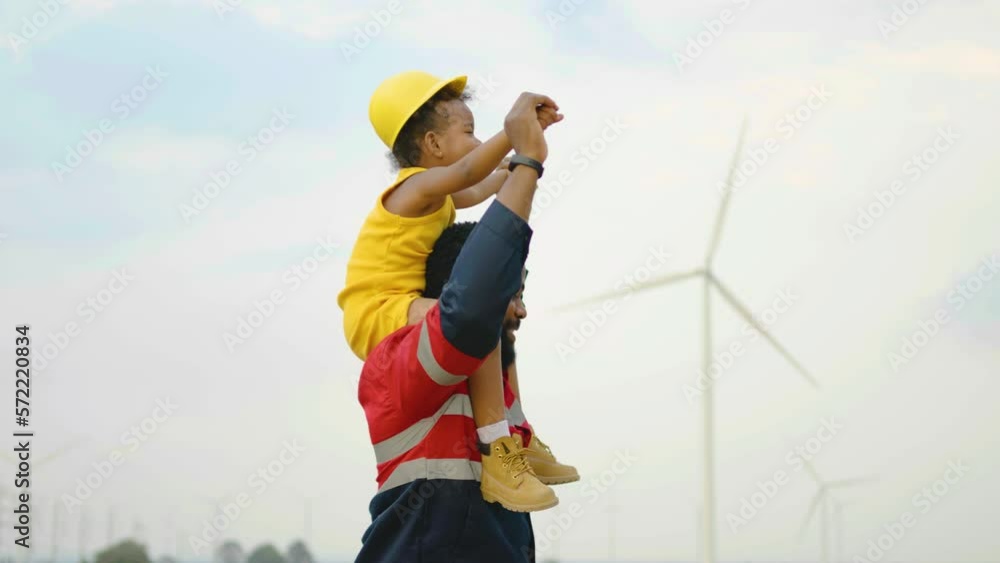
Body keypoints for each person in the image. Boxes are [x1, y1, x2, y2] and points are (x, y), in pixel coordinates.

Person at [339, 71, 575, 513]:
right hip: (378, 308)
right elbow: (470, 171)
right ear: (433, 144)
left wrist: (520, 162)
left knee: (493, 321)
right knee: (482, 314)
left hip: (397, 302)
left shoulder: (438, 195)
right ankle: (496, 445)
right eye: (469, 132)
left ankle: (517, 431)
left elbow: (481, 184)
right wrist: (512, 135)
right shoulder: (414, 187)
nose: (477, 140)